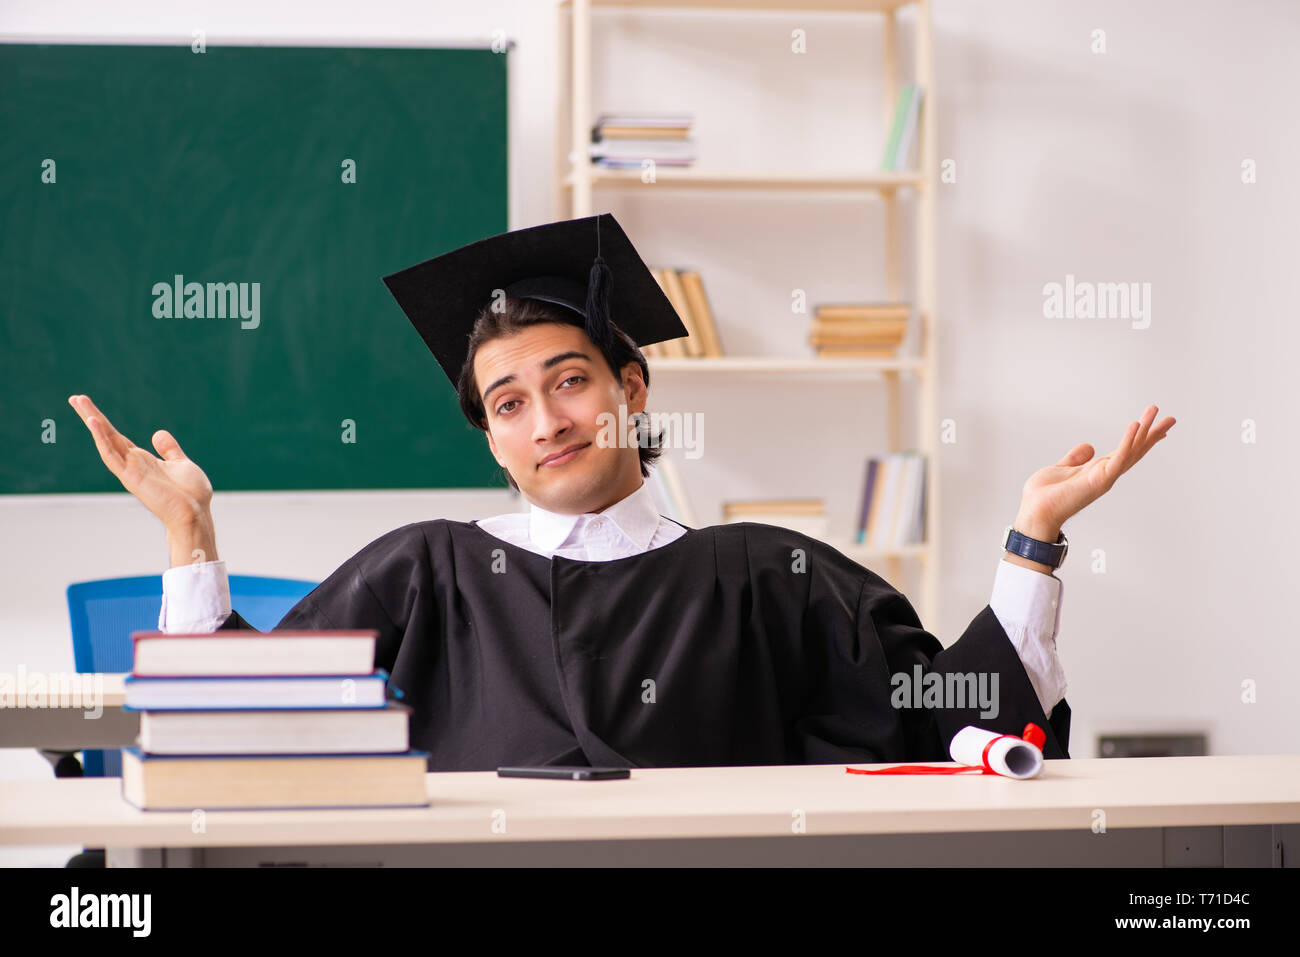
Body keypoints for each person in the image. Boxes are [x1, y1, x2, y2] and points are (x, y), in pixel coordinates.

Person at [69, 213, 1175, 770]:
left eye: (568, 382)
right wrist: (190, 533)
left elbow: (951, 729)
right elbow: (235, 721)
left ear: (630, 389)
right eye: (507, 404)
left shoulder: (760, 573)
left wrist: (1030, 540)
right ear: (493, 440)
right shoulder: (429, 569)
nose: (544, 419)